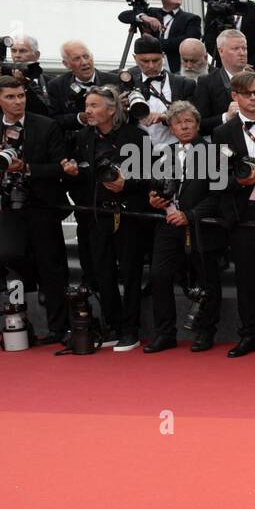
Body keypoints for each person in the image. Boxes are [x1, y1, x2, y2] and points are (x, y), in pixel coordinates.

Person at [0, 76, 70, 345]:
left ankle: (57, 329)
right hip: (7, 204)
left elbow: (59, 168)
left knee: (51, 268)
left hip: (42, 204)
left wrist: (26, 168)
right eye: (10, 97)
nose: (18, 101)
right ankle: (31, 280)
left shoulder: (46, 125)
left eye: (21, 96)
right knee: (8, 253)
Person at [69, 86, 151, 352]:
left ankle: (131, 329)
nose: (88, 111)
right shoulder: (82, 137)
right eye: (87, 105)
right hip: (96, 215)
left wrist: (126, 185)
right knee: (102, 272)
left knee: (130, 272)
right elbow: (80, 175)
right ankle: (114, 326)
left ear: (112, 109)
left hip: (128, 214)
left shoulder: (136, 136)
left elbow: (150, 176)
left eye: (94, 106)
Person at [144, 101, 227, 353]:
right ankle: (164, 333)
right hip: (168, 226)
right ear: (171, 127)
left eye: (189, 121)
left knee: (207, 280)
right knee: (159, 276)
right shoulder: (165, 152)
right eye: (178, 122)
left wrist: (189, 215)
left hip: (201, 227)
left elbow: (218, 195)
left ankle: (205, 331)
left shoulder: (215, 153)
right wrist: (153, 198)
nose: (184, 126)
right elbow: (156, 185)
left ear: (198, 124)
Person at [212, 70, 255, 358]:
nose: (254, 98)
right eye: (248, 93)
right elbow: (216, 177)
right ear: (234, 97)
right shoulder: (223, 133)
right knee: (245, 280)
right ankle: (248, 335)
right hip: (242, 213)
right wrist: (242, 180)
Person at [118, 0, 203, 74]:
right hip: (150, 68)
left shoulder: (191, 18)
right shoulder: (151, 13)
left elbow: (188, 42)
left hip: (178, 70)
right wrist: (144, 17)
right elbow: (123, 16)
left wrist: (154, 43)